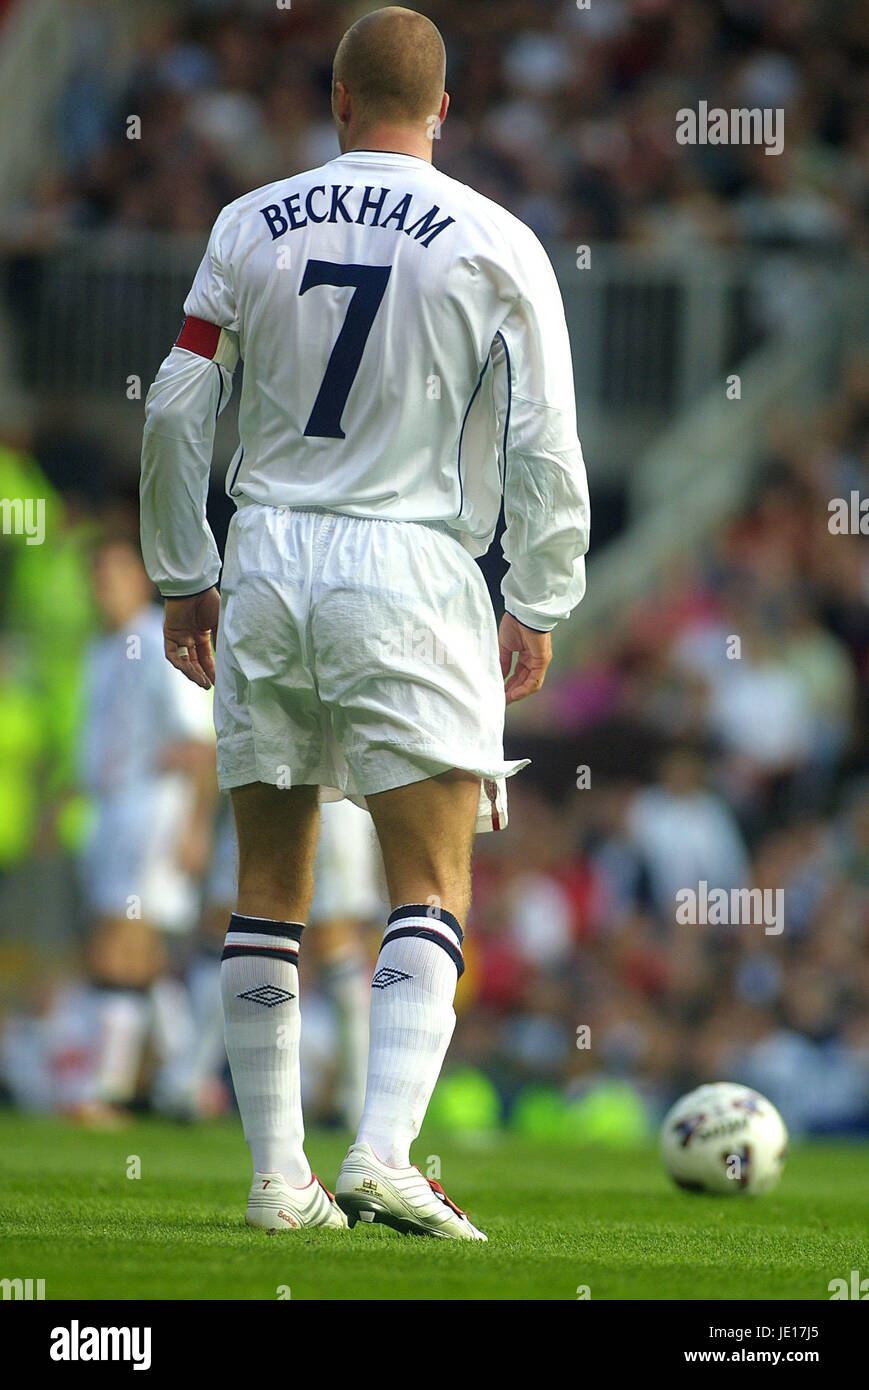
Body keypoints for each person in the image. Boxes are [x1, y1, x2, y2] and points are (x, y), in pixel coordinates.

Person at [140, 6, 589, 1238]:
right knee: (430, 878)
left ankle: (278, 1181)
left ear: (336, 99)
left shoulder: (248, 221)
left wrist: (186, 570)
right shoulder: (497, 239)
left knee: (269, 886)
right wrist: (538, 594)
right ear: (442, 111)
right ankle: (384, 1148)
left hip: (268, 551)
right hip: (408, 564)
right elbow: (544, 438)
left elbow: (181, 404)